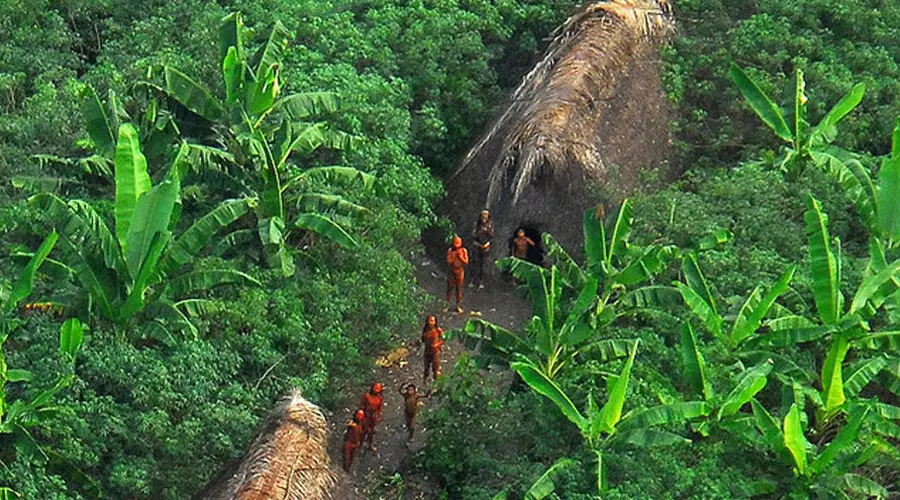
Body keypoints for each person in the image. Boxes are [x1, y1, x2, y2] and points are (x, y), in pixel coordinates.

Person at [470, 210, 495, 289]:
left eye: (486, 215)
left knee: (483, 264)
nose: (484, 216)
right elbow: (473, 235)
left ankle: (481, 281)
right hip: (477, 245)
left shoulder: (490, 225)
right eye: (483, 214)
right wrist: (480, 232)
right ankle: (473, 280)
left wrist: (487, 231)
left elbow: (492, 236)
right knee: (475, 263)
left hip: (485, 246)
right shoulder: (476, 224)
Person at [446, 235, 469, 313]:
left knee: (458, 289)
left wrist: (460, 257)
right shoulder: (450, 251)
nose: (456, 244)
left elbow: (466, 262)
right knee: (449, 288)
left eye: (458, 242)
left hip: (459, 271)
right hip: (451, 271)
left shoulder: (463, 251)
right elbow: (449, 261)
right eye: (455, 242)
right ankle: (447, 305)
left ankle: (458, 306)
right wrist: (454, 256)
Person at [360, 383, 384, 452]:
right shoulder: (367, 396)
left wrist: (378, 416)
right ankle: (361, 445)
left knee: (371, 432)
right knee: (364, 431)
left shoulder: (379, 398)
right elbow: (362, 405)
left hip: (373, 417)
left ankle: (370, 445)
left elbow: (379, 408)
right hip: (366, 415)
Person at [421, 315, 444, 383]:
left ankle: (436, 384)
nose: (431, 322)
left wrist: (437, 344)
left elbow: (444, 339)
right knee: (426, 368)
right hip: (427, 351)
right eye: (430, 320)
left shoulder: (438, 330)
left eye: (433, 321)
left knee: (435, 369)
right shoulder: (426, 330)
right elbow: (423, 339)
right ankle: (424, 381)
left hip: (435, 352)